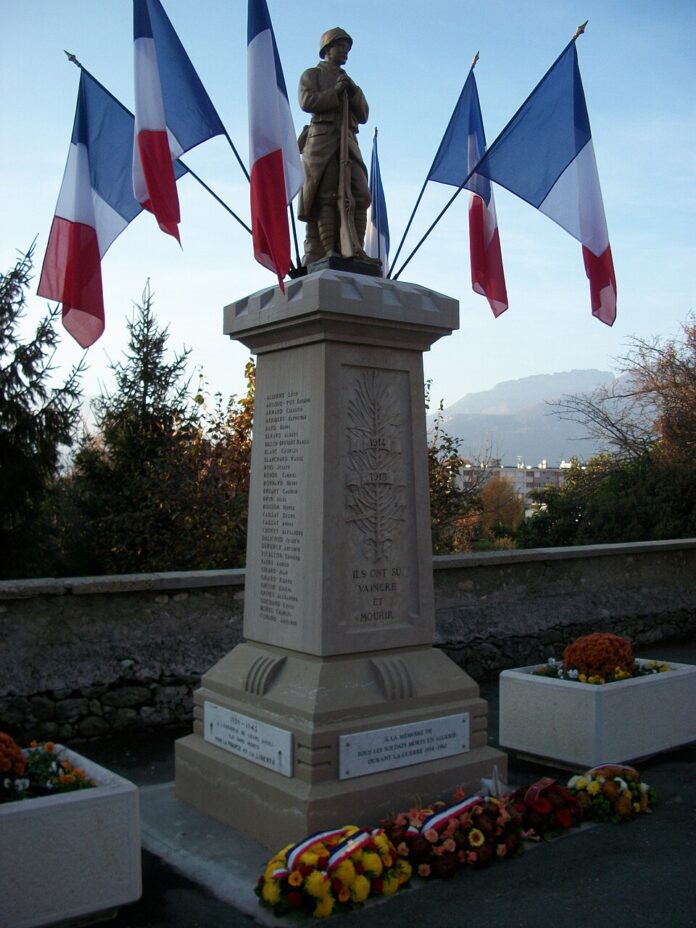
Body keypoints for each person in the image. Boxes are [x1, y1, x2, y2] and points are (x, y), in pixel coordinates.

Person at [297, 28, 378, 266]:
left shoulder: (350, 83)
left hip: (348, 141)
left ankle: (355, 250)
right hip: (322, 139)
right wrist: (334, 93)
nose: (345, 52)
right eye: (340, 46)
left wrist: (351, 92)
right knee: (327, 195)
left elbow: (363, 114)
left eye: (347, 48)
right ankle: (328, 250)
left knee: (361, 195)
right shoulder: (312, 74)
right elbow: (307, 101)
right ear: (327, 49)